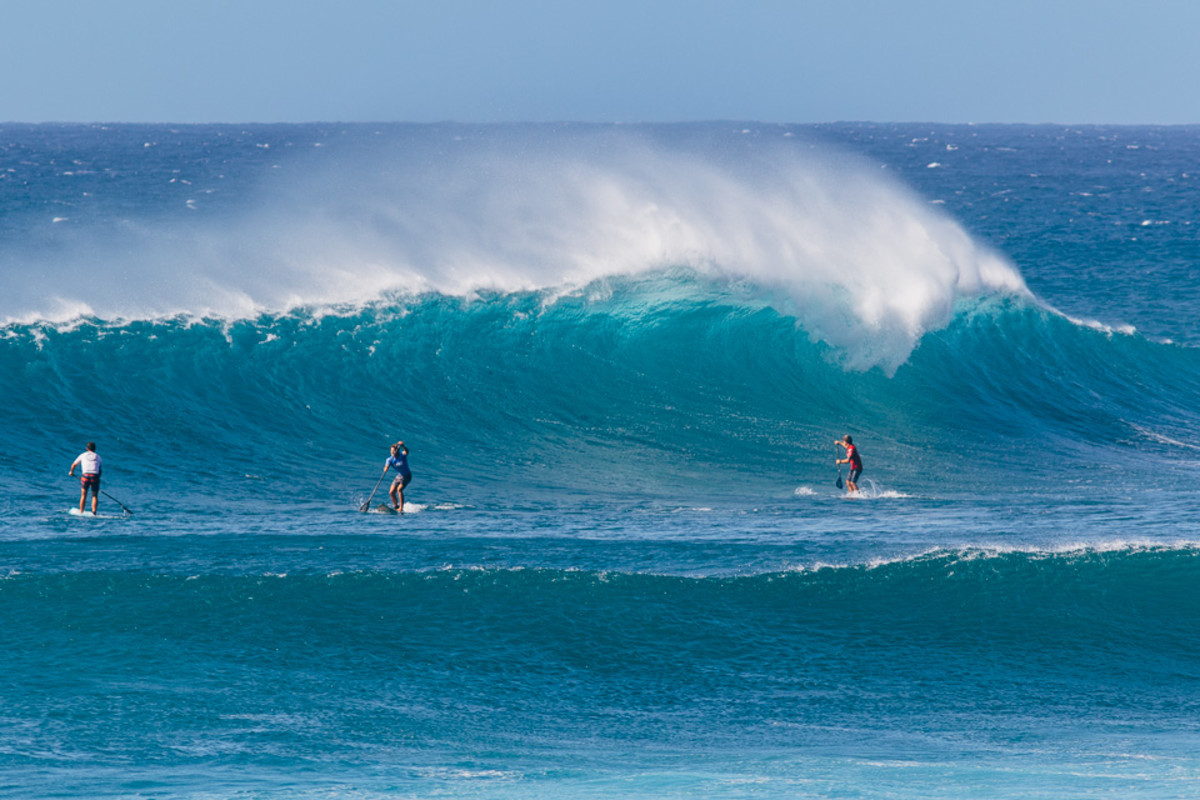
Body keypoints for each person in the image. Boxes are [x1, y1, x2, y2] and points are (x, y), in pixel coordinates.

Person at [69, 441, 103, 514]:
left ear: (87, 448)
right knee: (94, 496)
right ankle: (94, 513)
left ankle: (81, 512)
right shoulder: (98, 457)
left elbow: (73, 464)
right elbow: (99, 471)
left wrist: (71, 472)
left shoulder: (82, 455)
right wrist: (96, 480)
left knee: (83, 495)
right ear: (94, 449)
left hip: (85, 476)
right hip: (95, 476)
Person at [382, 440, 412, 513]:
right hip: (399, 475)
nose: (392, 452)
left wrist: (403, 446)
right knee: (391, 492)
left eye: (393, 451)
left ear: (397, 451)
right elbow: (386, 466)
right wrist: (385, 469)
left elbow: (407, 451)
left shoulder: (402, 455)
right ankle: (396, 507)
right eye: (391, 451)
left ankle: (401, 508)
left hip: (407, 476)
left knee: (399, 489)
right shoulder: (389, 459)